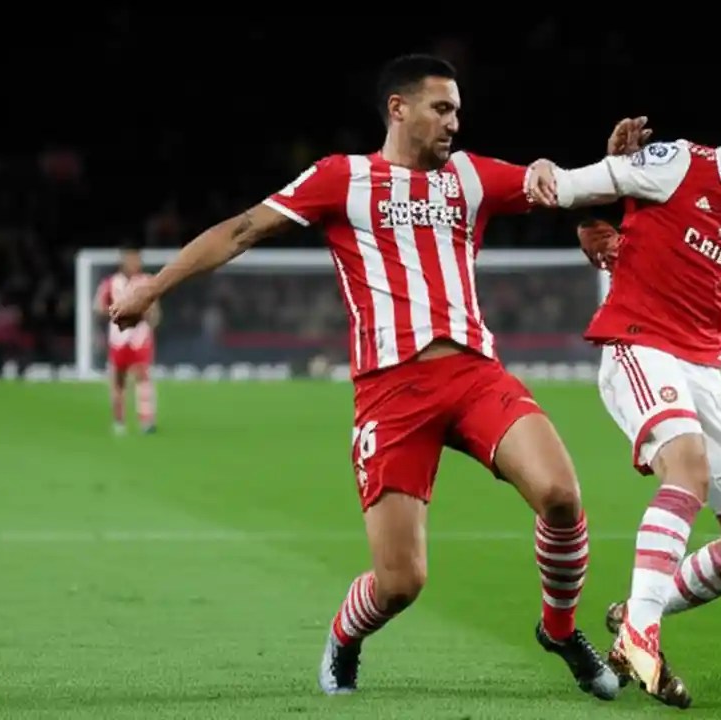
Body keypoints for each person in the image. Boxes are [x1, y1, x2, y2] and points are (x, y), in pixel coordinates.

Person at [110, 53, 623, 700]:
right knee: (401, 581)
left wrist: (607, 170)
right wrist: (152, 287)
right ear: (398, 108)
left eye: (459, 111)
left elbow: (559, 184)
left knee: (561, 494)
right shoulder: (341, 179)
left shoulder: (469, 177)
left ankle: (559, 628)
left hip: (474, 374)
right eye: (442, 109)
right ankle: (344, 638)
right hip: (391, 393)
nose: (454, 123)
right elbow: (241, 230)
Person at [524, 77, 721, 707]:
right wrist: (555, 170)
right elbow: (579, 187)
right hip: (639, 344)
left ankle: (633, 612)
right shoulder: (680, 164)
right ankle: (642, 635)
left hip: (703, 369)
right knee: (686, 470)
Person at [94, 245, 159, 434]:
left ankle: (147, 421)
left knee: (143, 375)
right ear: (122, 261)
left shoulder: (147, 282)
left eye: (136, 259)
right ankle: (119, 420)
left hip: (140, 336)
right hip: (119, 337)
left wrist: (150, 317)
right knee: (118, 379)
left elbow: (155, 310)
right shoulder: (111, 283)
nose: (133, 263)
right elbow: (98, 307)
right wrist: (115, 313)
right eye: (130, 259)